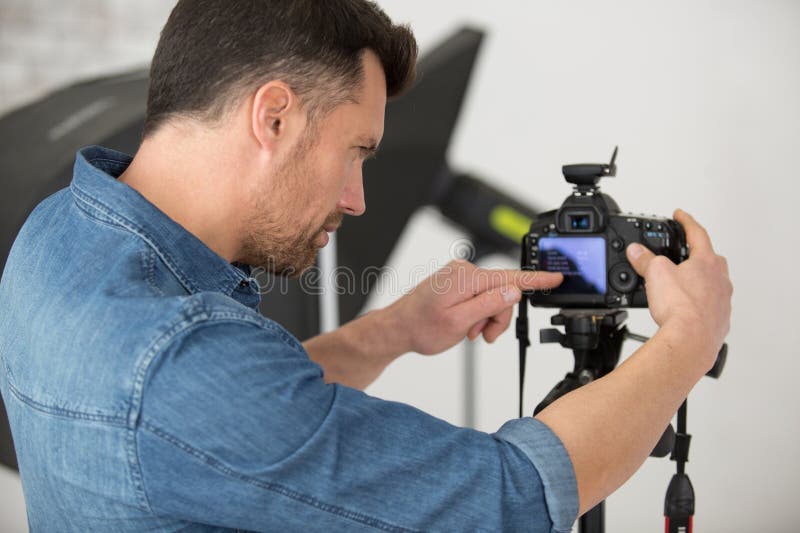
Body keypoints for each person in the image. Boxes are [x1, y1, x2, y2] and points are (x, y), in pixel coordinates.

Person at [0, 1, 732, 531]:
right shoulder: (179, 362)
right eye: (356, 151)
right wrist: (688, 339)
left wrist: (394, 330)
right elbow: (513, 494)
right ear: (274, 116)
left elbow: (225, 420)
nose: (355, 199)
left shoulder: (53, 231)